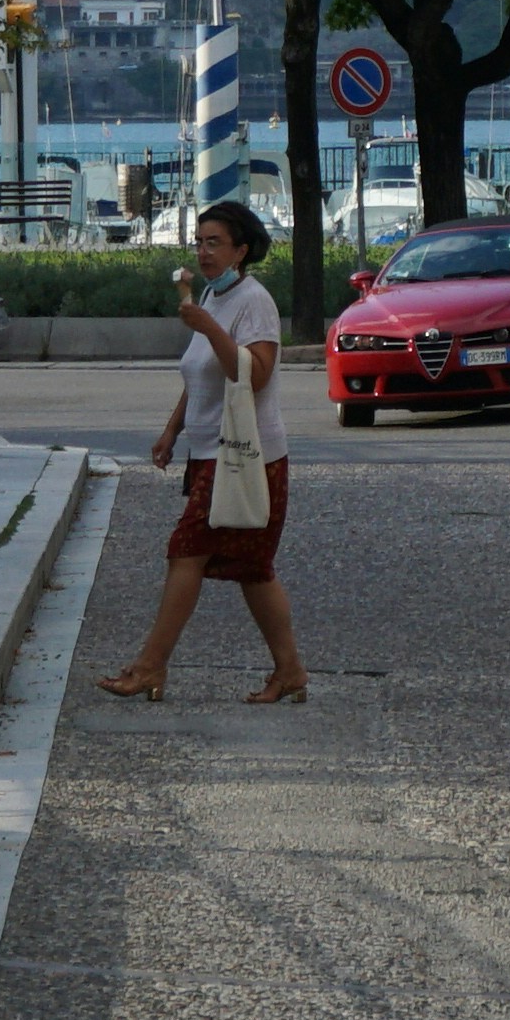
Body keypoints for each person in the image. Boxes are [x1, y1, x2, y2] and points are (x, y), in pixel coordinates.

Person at [98, 201, 306, 705]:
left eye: (215, 242)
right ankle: (291, 672)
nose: (203, 251)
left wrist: (205, 326)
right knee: (253, 569)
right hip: (211, 451)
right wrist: (172, 431)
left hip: (248, 455)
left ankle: (149, 667)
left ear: (241, 250)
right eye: (198, 241)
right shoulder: (212, 298)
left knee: (186, 552)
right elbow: (201, 378)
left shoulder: (252, 301)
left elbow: (253, 374)